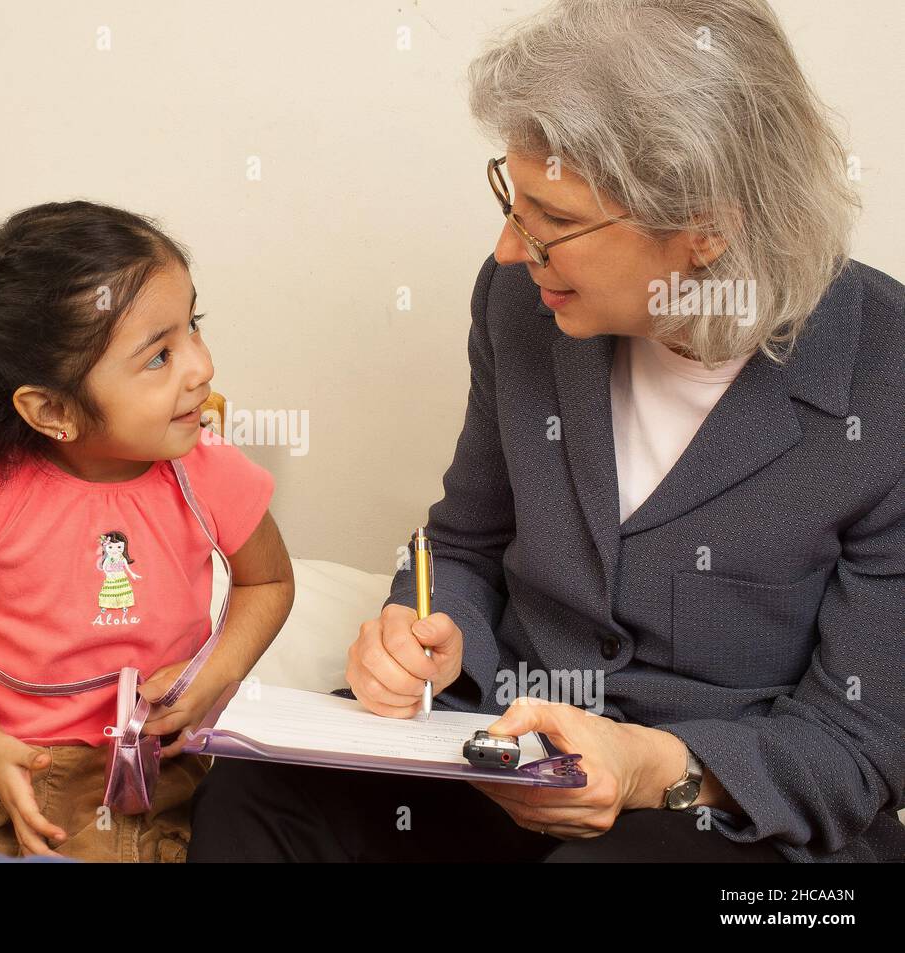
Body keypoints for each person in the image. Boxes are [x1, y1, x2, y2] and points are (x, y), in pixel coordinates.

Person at [189, 0, 905, 862]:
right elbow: (463, 542)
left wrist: (653, 770)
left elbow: (860, 740)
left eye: (553, 221)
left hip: (731, 811)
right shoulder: (522, 307)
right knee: (266, 788)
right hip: (509, 754)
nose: (506, 249)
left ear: (709, 227)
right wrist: (429, 635)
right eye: (511, 198)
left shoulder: (885, 374)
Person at [0, 201, 294, 861]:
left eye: (193, 326)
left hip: (146, 775)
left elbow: (270, 580)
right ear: (51, 409)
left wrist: (216, 673)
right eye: (159, 356)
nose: (201, 366)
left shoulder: (206, 471)